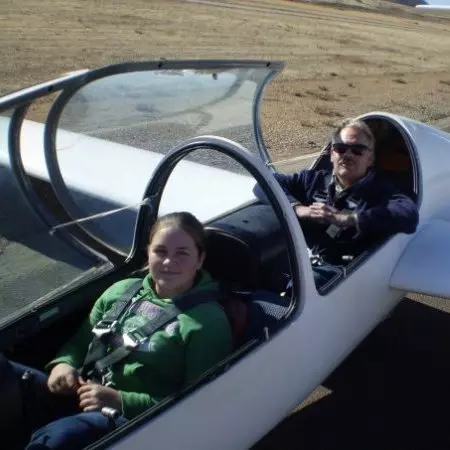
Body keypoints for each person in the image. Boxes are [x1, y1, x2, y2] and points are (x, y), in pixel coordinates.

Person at [7, 211, 233, 449]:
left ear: (199, 259)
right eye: (161, 251)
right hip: (80, 391)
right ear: (148, 252)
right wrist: (63, 364)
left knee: (60, 438)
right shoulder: (122, 290)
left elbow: (198, 404)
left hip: (135, 419)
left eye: (182, 253)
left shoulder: (207, 322)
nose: (168, 262)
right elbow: (80, 343)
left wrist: (121, 401)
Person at [254, 118, 419, 287]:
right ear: (332, 154)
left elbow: (408, 216)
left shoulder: (382, 191)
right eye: (341, 148)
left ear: (370, 158)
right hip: (301, 260)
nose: (347, 154)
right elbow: (262, 183)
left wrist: (348, 219)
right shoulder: (313, 180)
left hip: (341, 272)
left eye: (357, 150)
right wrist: (298, 209)